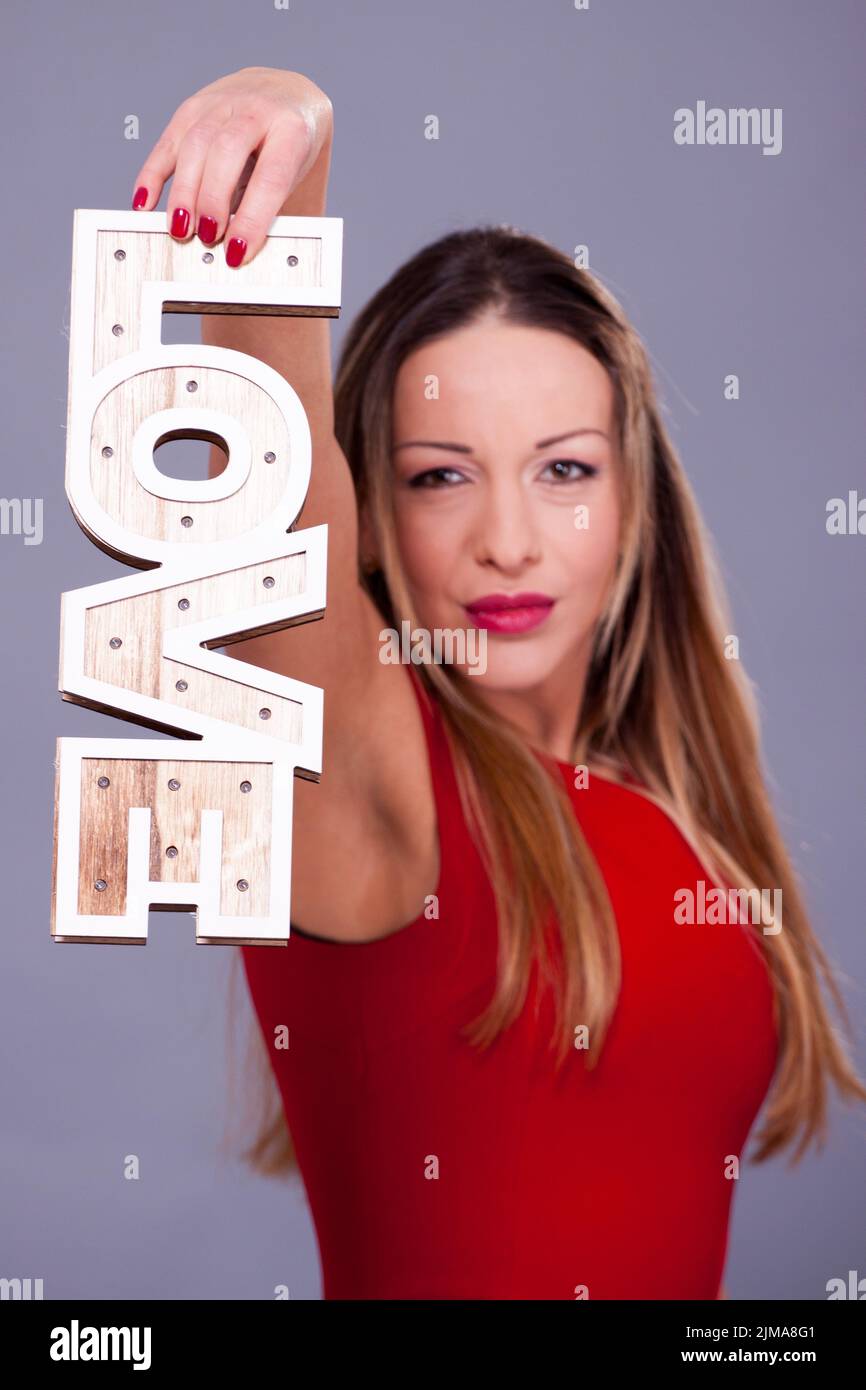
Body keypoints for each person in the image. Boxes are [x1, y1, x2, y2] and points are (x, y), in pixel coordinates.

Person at [132, 67, 865, 1300]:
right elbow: (269, 500)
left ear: (633, 505)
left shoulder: (671, 811)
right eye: (438, 477)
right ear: (364, 515)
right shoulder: (378, 777)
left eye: (564, 470)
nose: (509, 542)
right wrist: (287, 119)